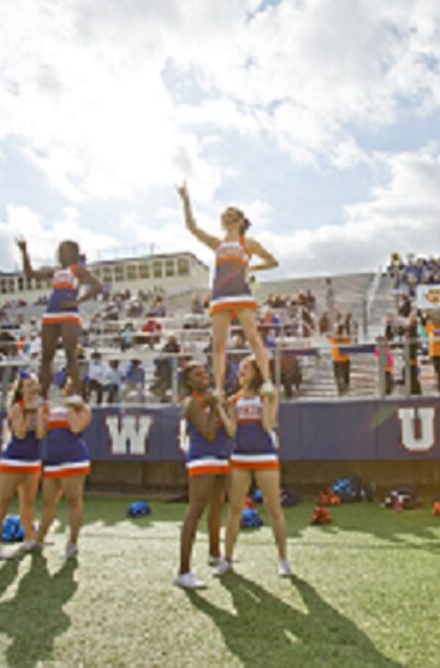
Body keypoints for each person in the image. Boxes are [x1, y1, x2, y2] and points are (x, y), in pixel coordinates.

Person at [178, 182, 279, 399]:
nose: (229, 215)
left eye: (233, 214)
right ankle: (219, 388)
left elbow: (273, 262)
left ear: (241, 221)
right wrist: (185, 199)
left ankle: (268, 382)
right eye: (226, 214)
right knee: (218, 345)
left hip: (241, 293)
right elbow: (192, 227)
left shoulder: (248, 243)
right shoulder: (217, 243)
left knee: (253, 338)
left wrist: (251, 267)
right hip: (220, 296)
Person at [215, 357, 291, 577]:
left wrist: (269, 400)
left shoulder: (267, 395)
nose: (240, 373)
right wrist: (222, 408)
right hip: (240, 457)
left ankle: (283, 559)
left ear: (257, 372)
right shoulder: (235, 400)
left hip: (265, 457)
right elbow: (231, 431)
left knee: (274, 510)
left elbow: (268, 425)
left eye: (245, 369)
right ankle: (227, 559)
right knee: (234, 510)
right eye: (239, 370)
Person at [16, 237, 102, 398]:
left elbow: (98, 286)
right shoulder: (55, 271)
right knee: (46, 356)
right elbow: (30, 273)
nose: (61, 253)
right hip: (51, 313)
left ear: (73, 253)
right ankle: (43, 395)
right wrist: (24, 251)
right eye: (60, 250)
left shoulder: (78, 269)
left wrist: (77, 301)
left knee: (71, 354)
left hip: (69, 313)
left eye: (64, 250)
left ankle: (79, 395)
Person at [175, 364, 234, 589]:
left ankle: (214, 553)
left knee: (217, 507)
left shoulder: (211, 399)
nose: (205, 376)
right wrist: (214, 408)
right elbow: (208, 433)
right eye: (198, 375)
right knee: (195, 509)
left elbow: (227, 430)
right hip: (202, 456)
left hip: (219, 455)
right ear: (189, 382)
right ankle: (183, 571)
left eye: (205, 372)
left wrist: (221, 406)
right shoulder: (192, 403)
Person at [32, 380, 92, 559]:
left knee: (73, 501)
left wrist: (73, 406)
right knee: (47, 502)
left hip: (74, 460)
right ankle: (39, 539)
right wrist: (41, 414)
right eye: (68, 387)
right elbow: (41, 434)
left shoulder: (84, 410)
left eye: (74, 388)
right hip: (53, 460)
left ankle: (72, 543)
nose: (68, 390)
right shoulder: (54, 409)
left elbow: (75, 427)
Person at [0, 373, 43, 560]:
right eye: (28, 385)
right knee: (3, 501)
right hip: (13, 461)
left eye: (34, 385)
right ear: (20, 389)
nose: (33, 388)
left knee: (28, 503)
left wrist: (40, 413)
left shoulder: (40, 407)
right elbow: (20, 433)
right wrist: (30, 410)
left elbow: (41, 435)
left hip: (32, 460)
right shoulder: (16, 408)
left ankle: (29, 538)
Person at [328, 325, 351, 396]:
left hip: (336, 360)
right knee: (344, 376)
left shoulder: (334, 340)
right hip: (344, 360)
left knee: (338, 376)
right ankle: (343, 389)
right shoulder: (346, 339)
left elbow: (328, 336)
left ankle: (341, 389)